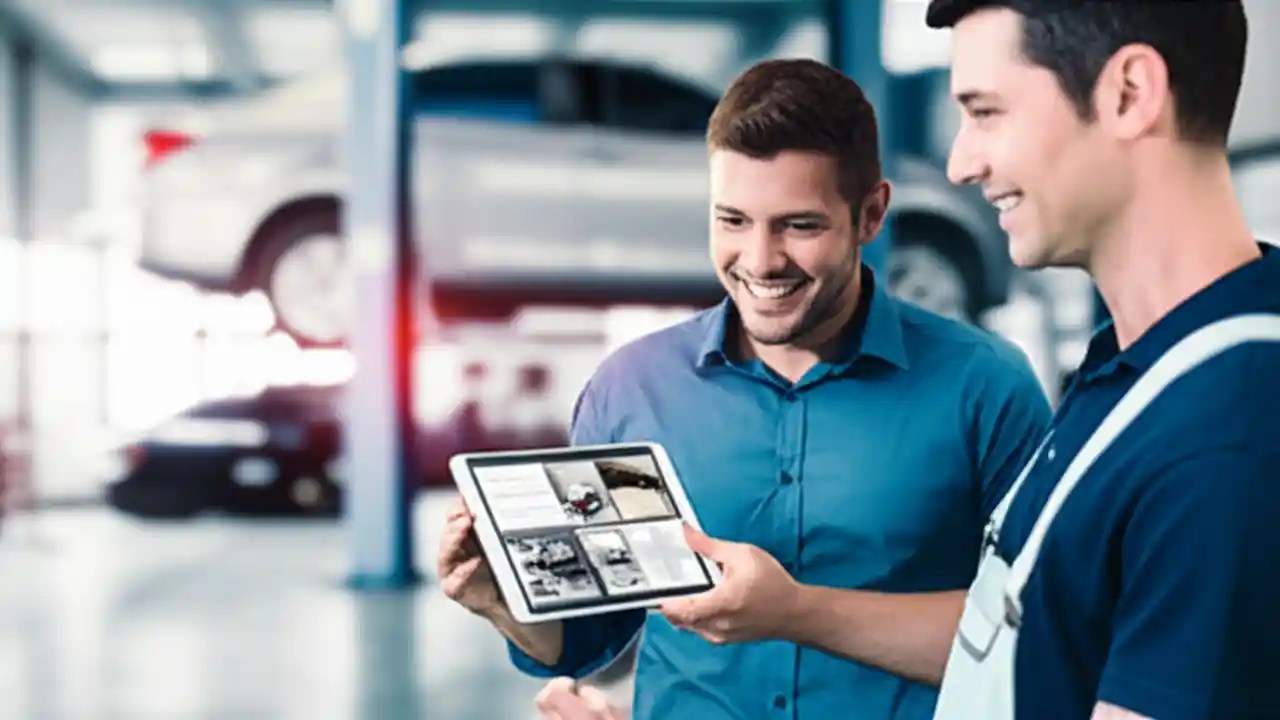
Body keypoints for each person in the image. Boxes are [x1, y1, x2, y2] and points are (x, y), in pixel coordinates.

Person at [437, 58, 1052, 719]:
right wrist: (502, 604)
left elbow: (1041, 636)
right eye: (733, 220)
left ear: (871, 214)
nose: (760, 261)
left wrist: (798, 613)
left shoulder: (985, 389)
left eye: (799, 225)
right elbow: (590, 635)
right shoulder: (632, 390)